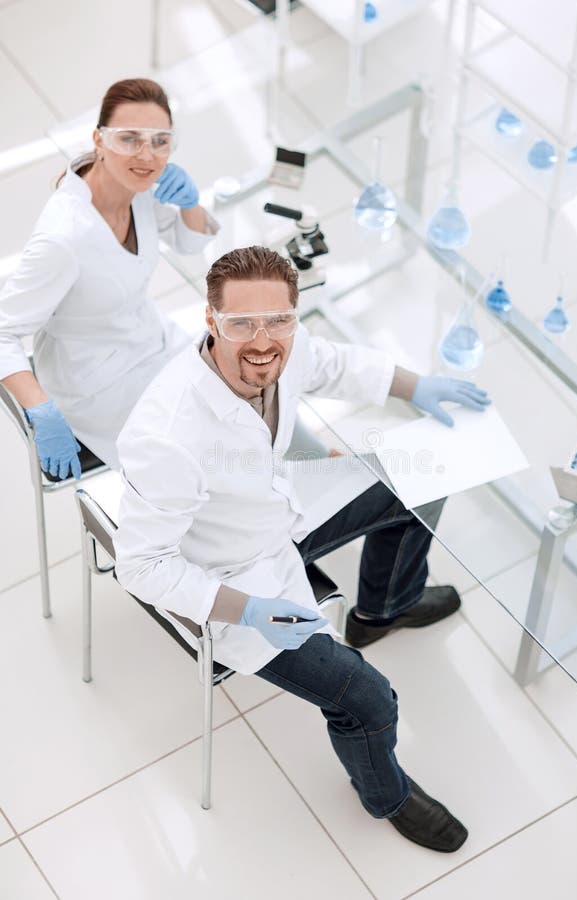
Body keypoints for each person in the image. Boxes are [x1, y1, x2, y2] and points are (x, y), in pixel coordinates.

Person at [114, 246, 491, 850]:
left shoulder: (282, 342)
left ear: (293, 313)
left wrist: (416, 386)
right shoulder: (168, 434)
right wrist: (249, 611)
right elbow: (140, 565)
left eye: (279, 320)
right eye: (240, 324)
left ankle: (381, 609)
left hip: (278, 509)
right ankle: (385, 795)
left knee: (423, 481)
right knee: (367, 698)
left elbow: (333, 364)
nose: (262, 341)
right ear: (211, 322)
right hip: (232, 575)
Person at [0, 77, 217, 475]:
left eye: (160, 141)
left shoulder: (140, 189)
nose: (147, 156)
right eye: (129, 139)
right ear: (99, 140)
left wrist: (190, 201)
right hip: (97, 385)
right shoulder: (65, 237)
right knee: (205, 454)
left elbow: (189, 242)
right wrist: (40, 410)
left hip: (151, 339)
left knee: (249, 398)